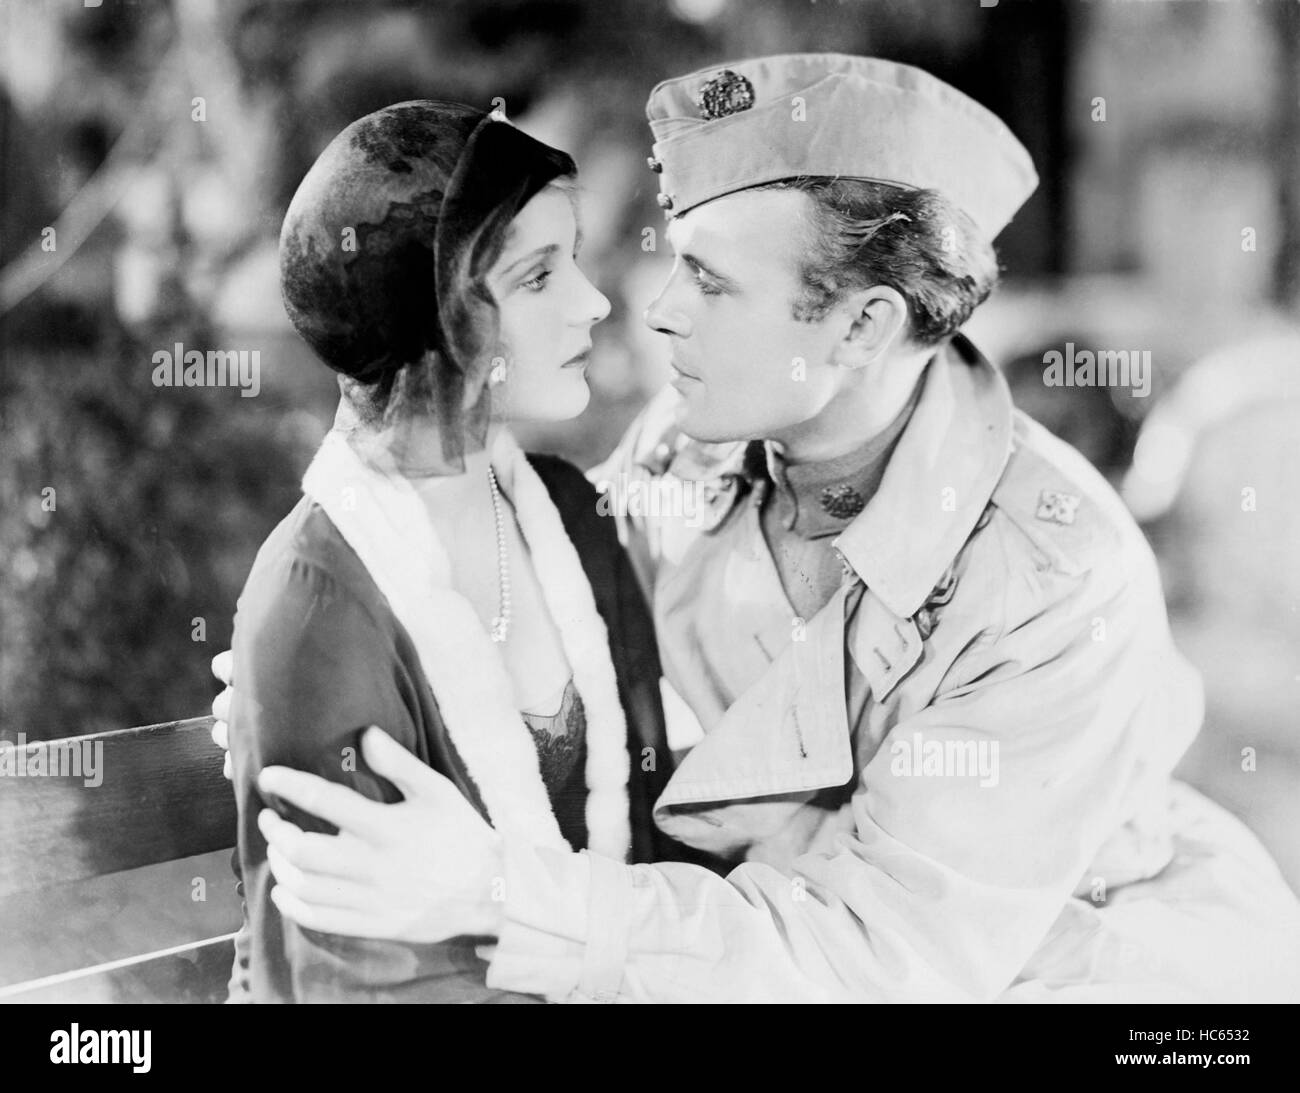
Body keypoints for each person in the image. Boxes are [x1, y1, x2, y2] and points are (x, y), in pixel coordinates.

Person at [217, 55, 1300, 1002]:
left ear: (862, 325)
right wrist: (338, 664)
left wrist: (507, 892)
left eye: (712, 281)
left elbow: (871, 962)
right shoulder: (684, 451)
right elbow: (527, 603)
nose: (651, 308)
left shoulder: (1058, 579)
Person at [221, 100, 692, 1003]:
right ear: (435, 312)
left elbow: (654, 826)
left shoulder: (570, 509)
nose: (592, 303)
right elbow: (358, 979)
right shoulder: (314, 600)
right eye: (539, 276)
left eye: (577, 262)